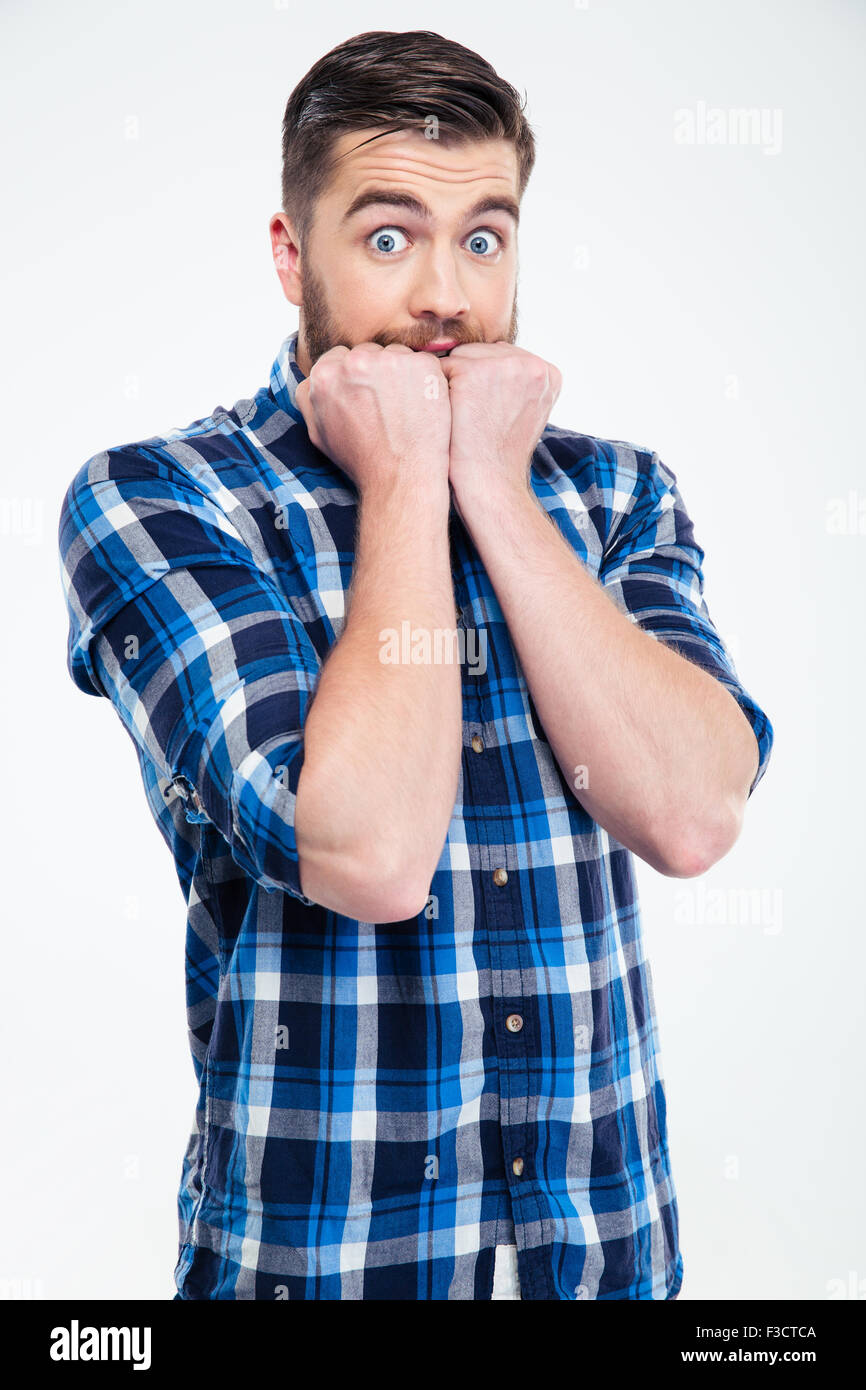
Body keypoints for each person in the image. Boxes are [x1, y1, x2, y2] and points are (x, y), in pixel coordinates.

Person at [57, 29, 773, 1301]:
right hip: (321, 1269)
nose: (445, 292)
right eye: (388, 237)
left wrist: (492, 483)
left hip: (605, 1265)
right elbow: (367, 851)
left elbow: (691, 811)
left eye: (483, 237)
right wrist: (403, 479)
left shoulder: (611, 494)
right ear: (291, 256)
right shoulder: (166, 500)